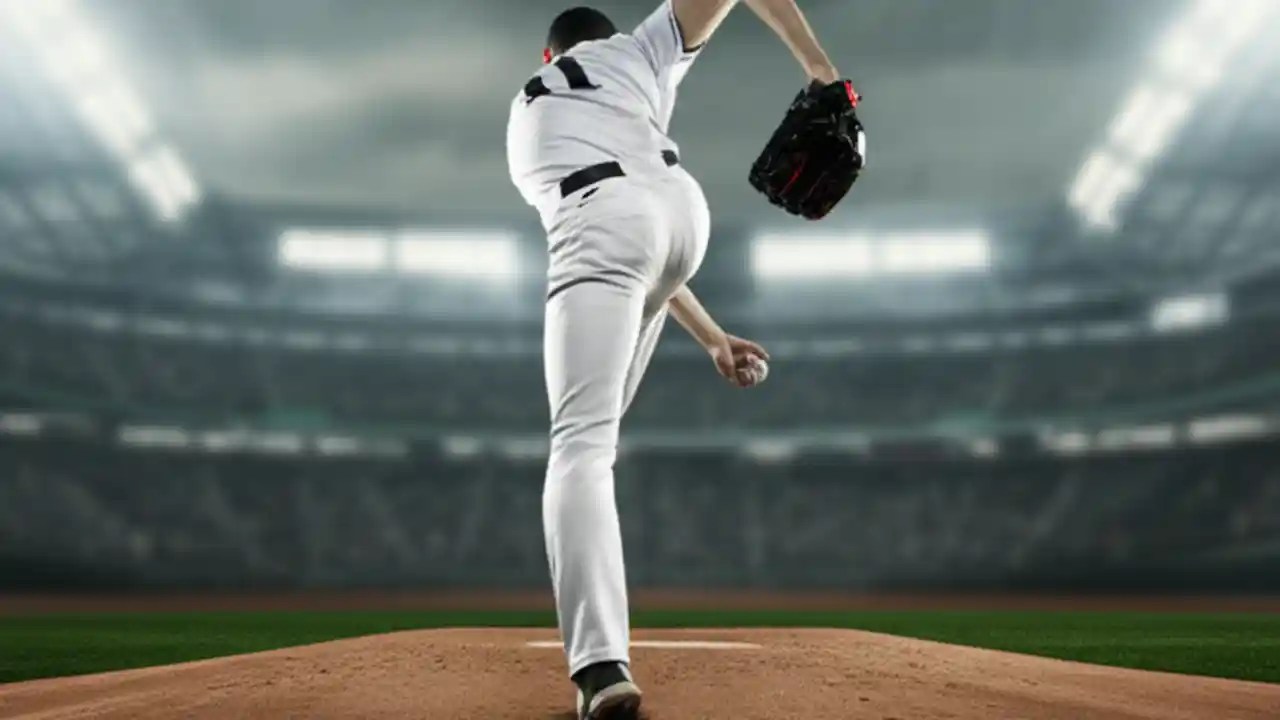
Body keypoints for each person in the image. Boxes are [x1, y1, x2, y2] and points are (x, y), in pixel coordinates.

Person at [505, 1, 840, 717]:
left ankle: (600, 668)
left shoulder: (530, 104)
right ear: (606, 40)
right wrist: (821, 70)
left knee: (581, 448)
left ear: (548, 57)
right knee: (600, 437)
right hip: (683, 214)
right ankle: (600, 646)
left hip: (602, 215)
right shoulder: (637, 54)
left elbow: (610, 231)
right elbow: (642, 242)